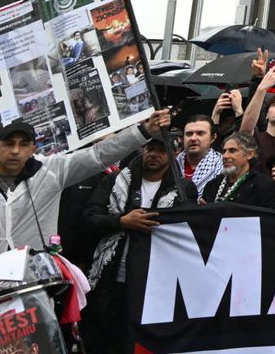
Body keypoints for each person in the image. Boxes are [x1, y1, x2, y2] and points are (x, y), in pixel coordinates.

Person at [0, 111, 167, 269]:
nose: (15, 151)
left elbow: (98, 155)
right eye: (9, 144)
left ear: (33, 149)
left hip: (33, 282)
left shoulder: (52, 172)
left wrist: (144, 130)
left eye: (23, 145)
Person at [82, 129, 196, 354]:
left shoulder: (184, 189)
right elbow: (89, 218)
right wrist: (122, 221)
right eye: (150, 148)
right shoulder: (115, 180)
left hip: (153, 280)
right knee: (101, 338)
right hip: (109, 276)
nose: (153, 154)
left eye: (161, 150)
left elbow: (185, 232)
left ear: (174, 154)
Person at [199, 132, 275, 210]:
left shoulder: (265, 186)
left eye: (232, 151)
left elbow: (268, 221)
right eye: (224, 151)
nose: (225, 156)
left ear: (249, 154)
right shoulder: (212, 185)